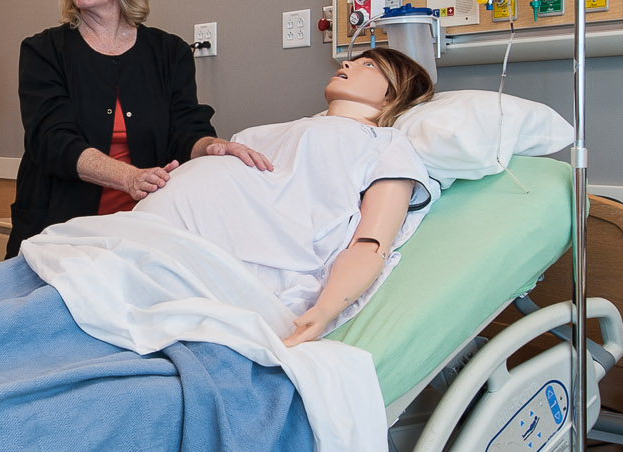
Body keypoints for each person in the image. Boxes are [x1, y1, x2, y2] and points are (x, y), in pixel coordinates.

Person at [129, 46, 438, 344]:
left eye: (367, 65)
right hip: (152, 230)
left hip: (234, 257)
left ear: (391, 95)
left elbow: (371, 245)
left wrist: (325, 309)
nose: (345, 65)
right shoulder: (275, 129)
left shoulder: (385, 143)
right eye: (352, 62)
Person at [7, 0, 269, 256]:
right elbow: (52, 140)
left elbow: (186, 130)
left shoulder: (168, 52)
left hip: (143, 235)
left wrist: (213, 148)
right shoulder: (43, 51)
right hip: (61, 233)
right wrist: (128, 178)